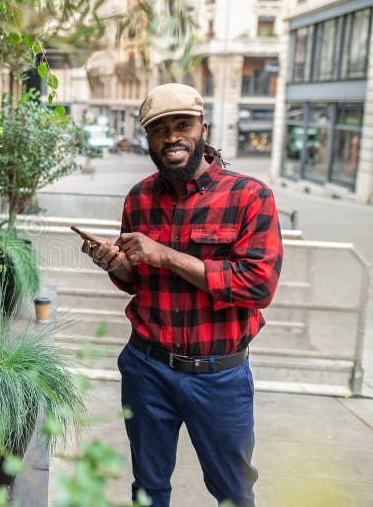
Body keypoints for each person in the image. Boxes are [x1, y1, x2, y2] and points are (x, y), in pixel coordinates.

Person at [80, 83, 283, 507]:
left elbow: (258, 285)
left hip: (219, 377)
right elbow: (140, 280)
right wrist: (115, 263)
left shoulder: (250, 196)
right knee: (148, 489)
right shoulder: (139, 197)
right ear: (149, 139)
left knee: (233, 491)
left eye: (182, 125)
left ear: (202, 129)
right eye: (159, 130)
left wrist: (165, 255)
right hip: (147, 368)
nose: (171, 137)